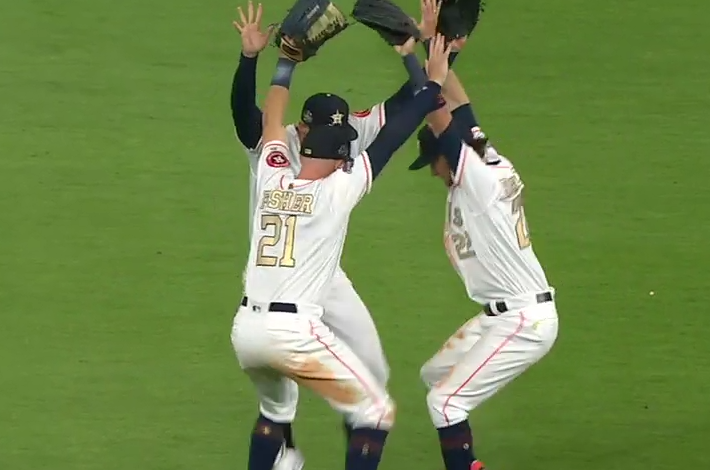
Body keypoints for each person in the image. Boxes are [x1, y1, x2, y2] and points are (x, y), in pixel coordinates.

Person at [228, 4, 454, 469]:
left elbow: (270, 116)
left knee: (288, 404)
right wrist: (421, 62)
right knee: (374, 408)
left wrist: (284, 60)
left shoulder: (272, 170)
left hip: (253, 315)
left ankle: (281, 456)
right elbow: (400, 126)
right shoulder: (339, 188)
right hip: (295, 317)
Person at [407, 37, 561, 470]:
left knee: (445, 403)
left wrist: (412, 62)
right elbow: (462, 109)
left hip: (523, 321)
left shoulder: (476, 181)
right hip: (501, 314)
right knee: (434, 375)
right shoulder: (490, 160)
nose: (434, 172)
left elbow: (441, 119)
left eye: (433, 163)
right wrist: (434, 45)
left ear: (446, 158)